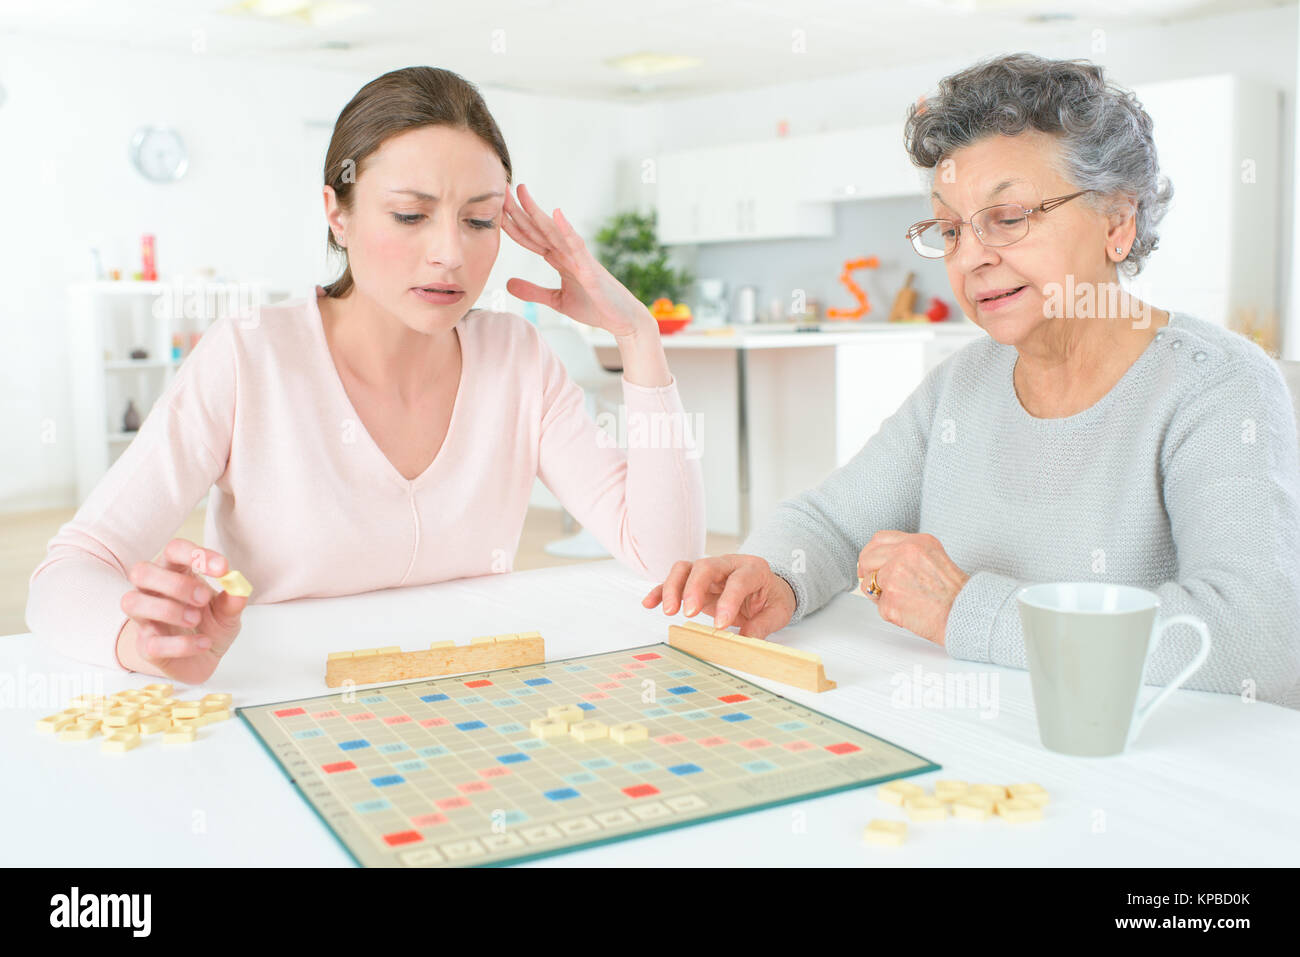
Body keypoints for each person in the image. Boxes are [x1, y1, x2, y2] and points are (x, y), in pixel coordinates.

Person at [644, 53, 1300, 706]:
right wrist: (775, 573)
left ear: (1117, 222)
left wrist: (966, 610)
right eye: (951, 228)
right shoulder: (962, 382)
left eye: (1008, 217)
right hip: (978, 754)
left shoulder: (1217, 386)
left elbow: (1258, 640)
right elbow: (833, 524)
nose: (972, 257)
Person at [28, 66, 705, 683]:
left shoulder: (518, 359)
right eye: (409, 215)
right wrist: (140, 641)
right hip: (285, 702)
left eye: (480, 220)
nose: (450, 253)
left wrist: (637, 336)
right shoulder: (251, 356)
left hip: (470, 701)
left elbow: (665, 559)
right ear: (337, 214)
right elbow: (67, 572)